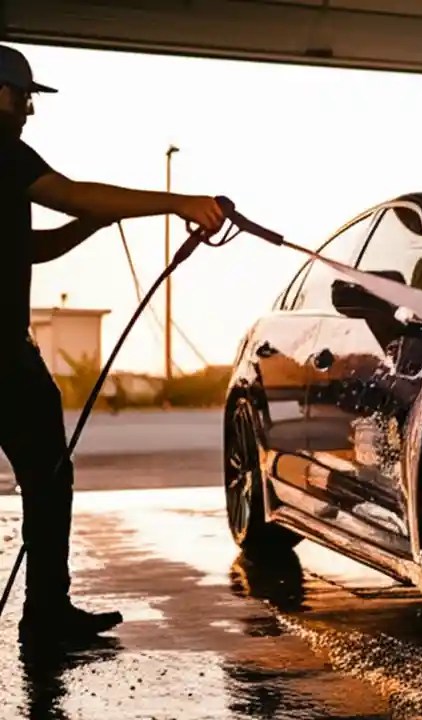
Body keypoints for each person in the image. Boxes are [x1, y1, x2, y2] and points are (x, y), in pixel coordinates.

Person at [0, 44, 224, 645]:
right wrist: (176, 202)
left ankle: (48, 611)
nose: (27, 112)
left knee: (48, 472)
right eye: (23, 99)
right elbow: (74, 192)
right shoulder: (3, 151)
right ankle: (46, 615)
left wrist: (93, 223)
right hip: (2, 360)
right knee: (48, 477)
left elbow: (34, 248)